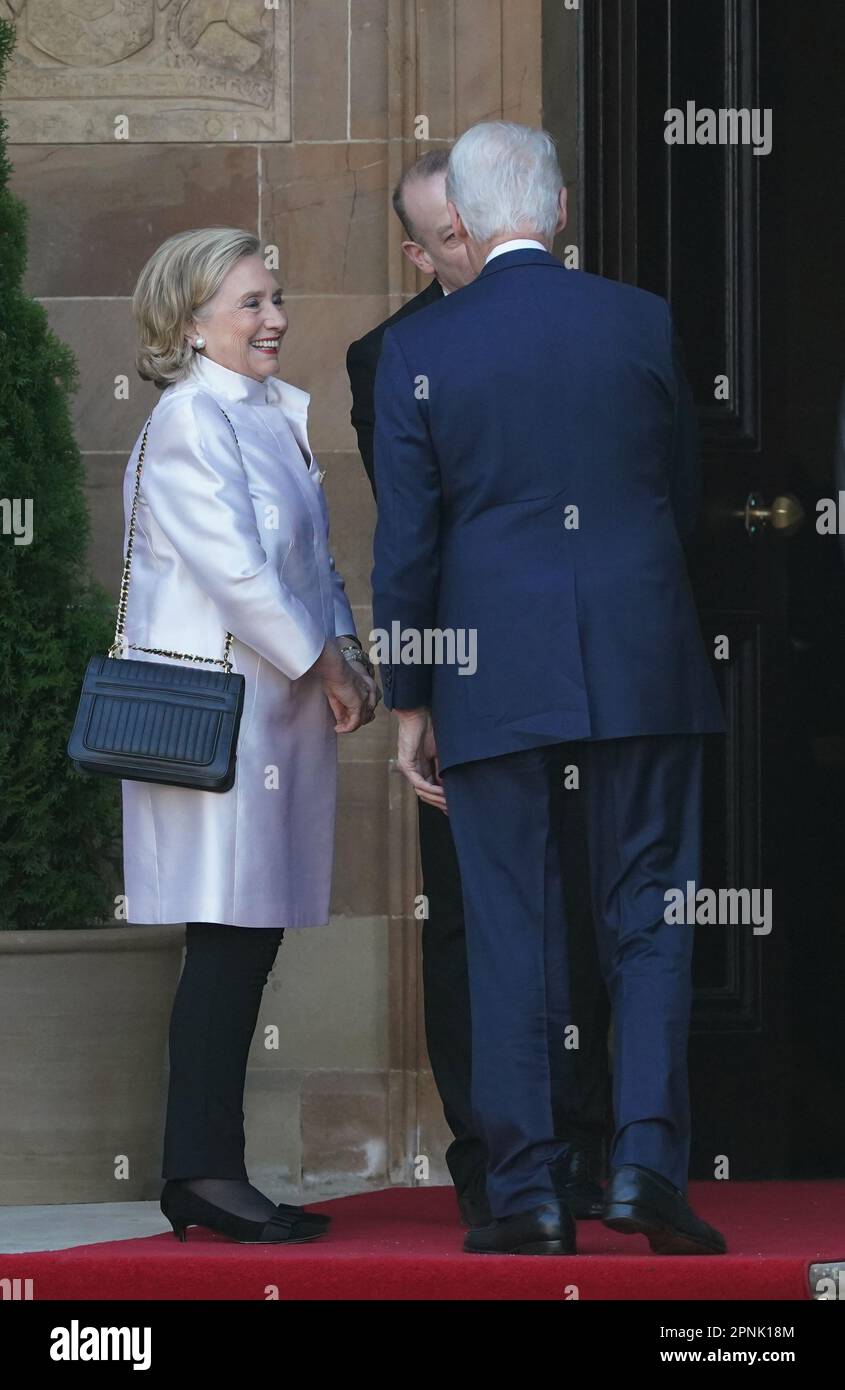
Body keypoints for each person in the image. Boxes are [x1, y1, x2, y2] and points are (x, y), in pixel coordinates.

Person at [371, 122, 728, 1256]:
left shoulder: (415, 351)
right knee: (650, 917)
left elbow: (406, 542)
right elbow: (680, 494)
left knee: (507, 927)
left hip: (489, 668)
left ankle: (524, 1190)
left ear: (462, 227)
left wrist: (411, 696)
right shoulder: (637, 320)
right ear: (560, 209)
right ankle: (642, 1170)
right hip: (640, 656)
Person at [347, 151, 608, 1226]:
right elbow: (415, 534)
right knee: (465, 920)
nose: (475, 243)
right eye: (449, 236)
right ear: (418, 250)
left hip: (591, 666)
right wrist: (417, 689)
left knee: (588, 901)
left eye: (478, 221)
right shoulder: (389, 353)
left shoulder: (591, 318)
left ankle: (584, 1143)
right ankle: (490, 1155)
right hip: (464, 673)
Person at [123, 227, 378, 1245]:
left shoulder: (268, 413)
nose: (273, 318)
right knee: (225, 944)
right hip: (220, 720)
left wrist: (344, 654)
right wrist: (321, 660)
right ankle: (199, 1173)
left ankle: (209, 1169)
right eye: (249, 303)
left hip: (273, 715)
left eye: (276, 298)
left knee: (244, 939)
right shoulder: (193, 418)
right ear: (189, 321)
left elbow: (313, 559)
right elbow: (235, 570)